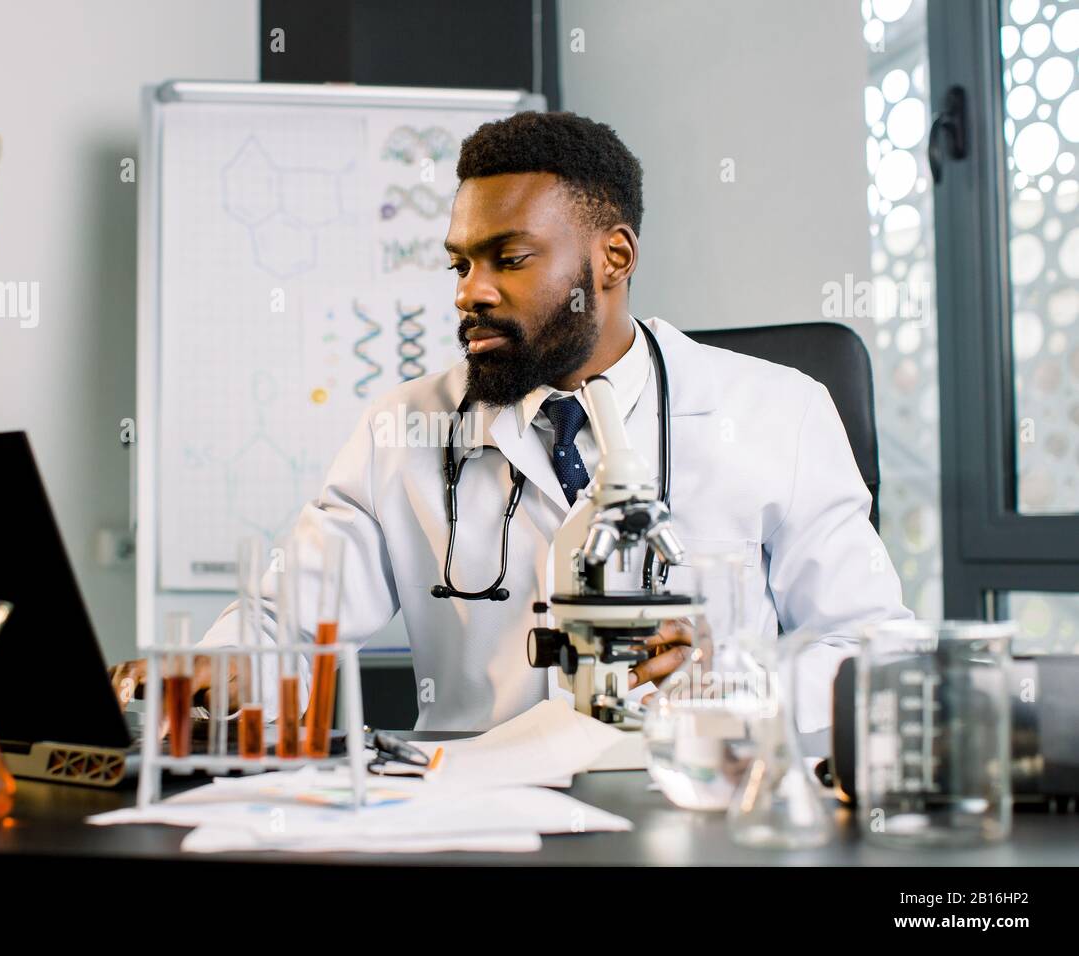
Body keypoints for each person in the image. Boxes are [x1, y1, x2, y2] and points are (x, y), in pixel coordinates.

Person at [109, 110, 912, 733]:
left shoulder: (779, 413)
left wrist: (736, 675)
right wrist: (218, 667)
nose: (471, 291)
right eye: (461, 263)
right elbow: (285, 618)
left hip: (694, 817)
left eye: (509, 258)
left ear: (614, 258)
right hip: (476, 827)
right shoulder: (404, 429)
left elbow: (878, 655)